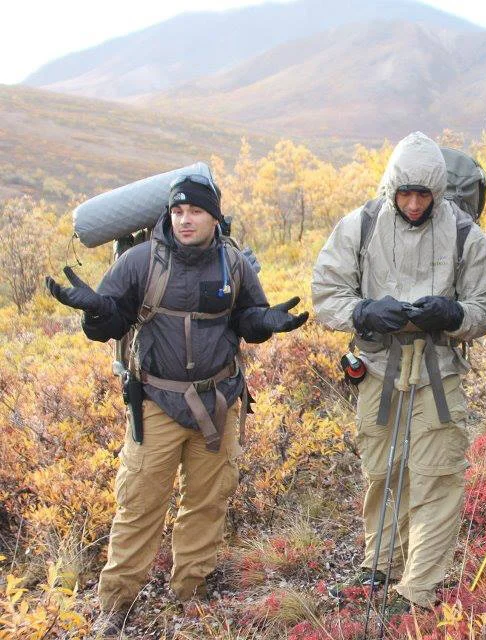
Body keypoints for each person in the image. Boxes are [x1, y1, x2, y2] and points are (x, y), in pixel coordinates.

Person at [45, 175, 309, 635]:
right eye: (178, 212)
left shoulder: (233, 263)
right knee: (140, 504)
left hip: (220, 400)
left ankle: (191, 592)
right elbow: (110, 323)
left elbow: (248, 318)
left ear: (214, 217)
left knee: (208, 501)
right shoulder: (139, 262)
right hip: (155, 403)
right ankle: (114, 607)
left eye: (196, 212)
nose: (185, 220)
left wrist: (266, 322)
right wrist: (94, 310)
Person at [311, 132, 486, 612]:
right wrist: (362, 313)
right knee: (382, 469)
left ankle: (417, 588)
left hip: (439, 371)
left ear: (439, 192)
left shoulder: (463, 232)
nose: (415, 204)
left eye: (425, 195)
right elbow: (326, 291)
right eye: (406, 194)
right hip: (378, 368)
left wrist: (455, 315)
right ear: (391, 188)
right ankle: (380, 563)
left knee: (437, 474)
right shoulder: (359, 226)